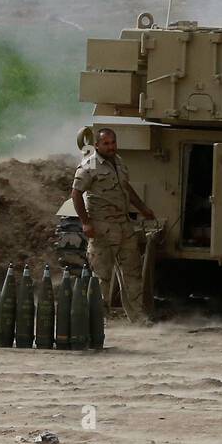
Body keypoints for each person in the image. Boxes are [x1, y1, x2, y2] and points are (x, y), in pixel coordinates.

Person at [70, 128, 155, 323]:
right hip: (101, 227)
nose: (110, 147)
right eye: (106, 143)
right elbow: (75, 195)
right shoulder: (88, 166)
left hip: (123, 225)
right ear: (97, 145)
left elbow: (126, 187)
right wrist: (85, 223)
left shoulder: (119, 162)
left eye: (113, 143)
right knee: (102, 275)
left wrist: (142, 208)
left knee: (132, 271)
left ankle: (138, 316)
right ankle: (98, 318)